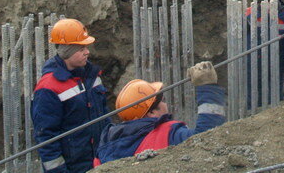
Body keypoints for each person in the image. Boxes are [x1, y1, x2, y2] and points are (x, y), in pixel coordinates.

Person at [94, 61, 225, 165]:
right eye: (163, 101)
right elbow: (207, 136)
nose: (166, 104)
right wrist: (207, 87)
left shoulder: (105, 146)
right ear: (151, 112)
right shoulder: (166, 134)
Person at [32, 19, 108, 173]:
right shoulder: (49, 87)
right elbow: (46, 137)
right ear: (67, 51)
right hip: (74, 167)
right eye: (81, 48)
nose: (87, 52)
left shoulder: (92, 76)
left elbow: (105, 116)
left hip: (100, 160)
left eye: (86, 47)